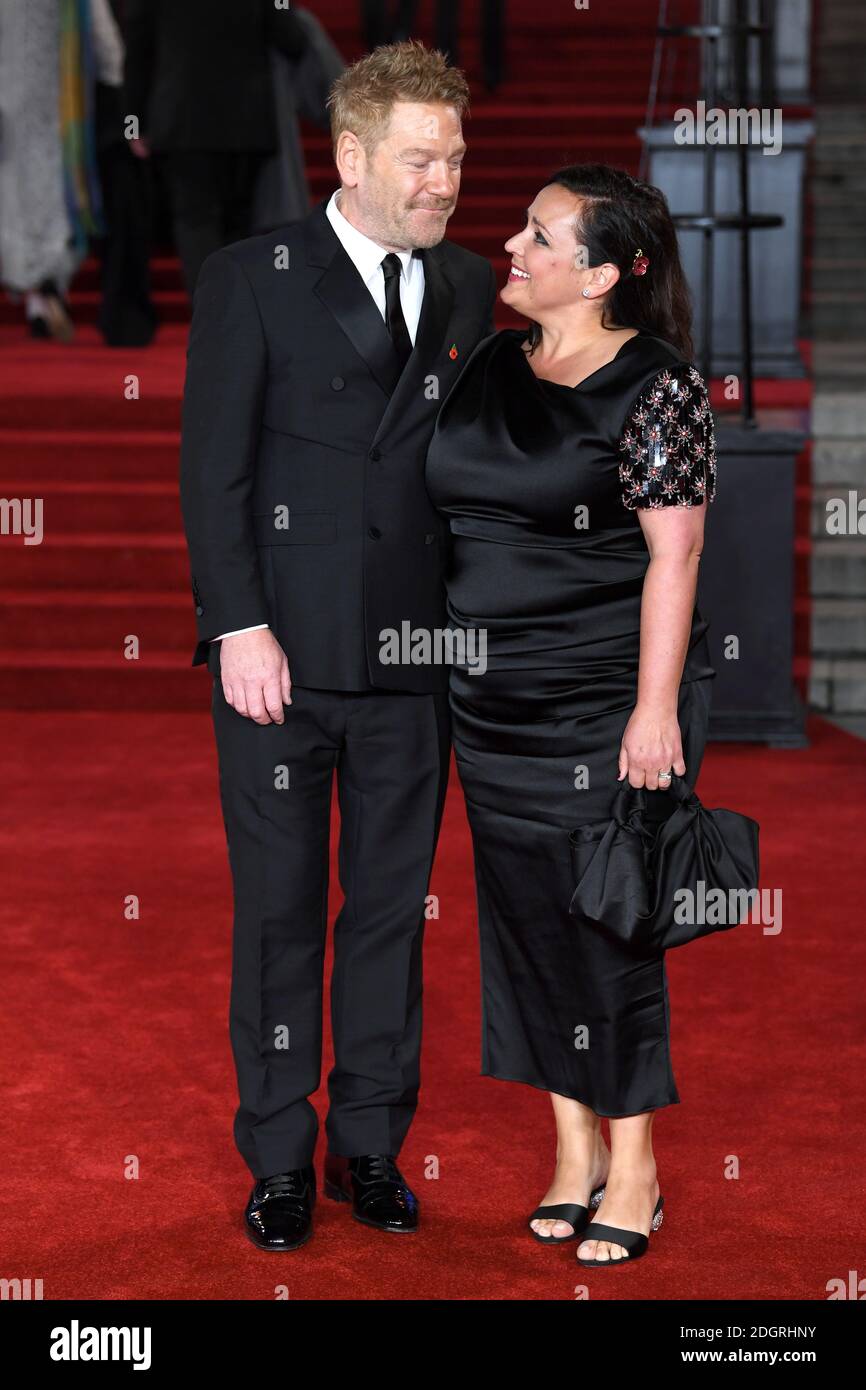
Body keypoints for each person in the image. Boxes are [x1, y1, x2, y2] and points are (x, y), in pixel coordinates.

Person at [179, 41, 496, 1252]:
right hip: (281, 663)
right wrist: (237, 625)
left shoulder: (468, 286)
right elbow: (214, 470)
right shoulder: (251, 276)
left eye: (455, 156)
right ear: (350, 155)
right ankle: (276, 1155)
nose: (444, 179)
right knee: (276, 914)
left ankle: (369, 1144)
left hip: (414, 667)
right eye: (421, 157)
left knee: (385, 912)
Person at [425, 163, 717, 1267]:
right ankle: (568, 1151)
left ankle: (632, 1168)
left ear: (596, 275)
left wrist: (652, 710)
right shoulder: (495, 359)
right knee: (522, 924)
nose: (512, 246)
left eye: (540, 237)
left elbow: (673, 558)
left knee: (608, 923)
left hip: (599, 704)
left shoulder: (657, 386)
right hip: (486, 705)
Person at [122, 0, 308, 297]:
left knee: (195, 222)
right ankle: (238, 324)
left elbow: (137, 47)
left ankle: (212, 323)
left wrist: (132, 123)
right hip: (245, 123)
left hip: (183, 121)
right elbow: (293, 39)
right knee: (239, 226)